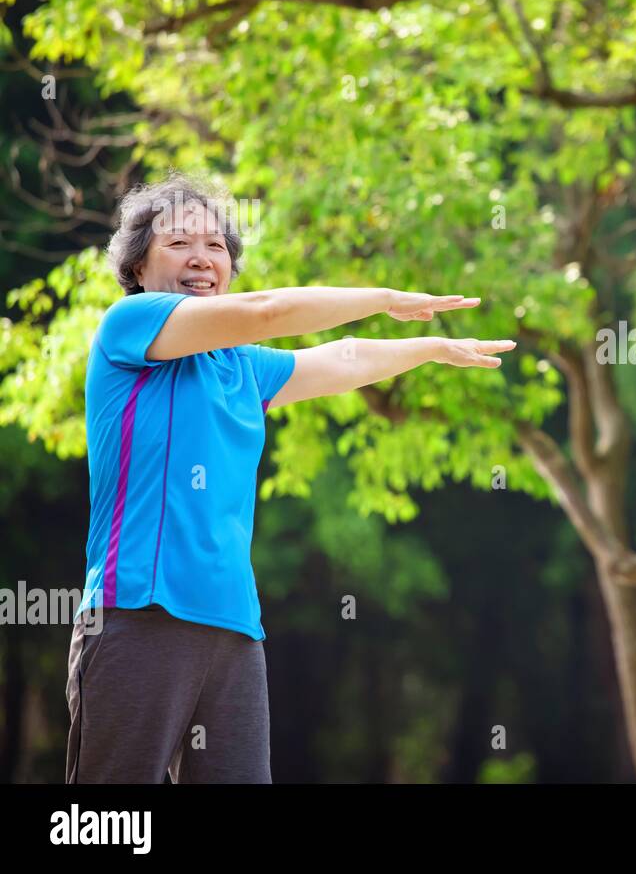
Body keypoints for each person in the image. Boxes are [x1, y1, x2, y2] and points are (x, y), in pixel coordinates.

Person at [66, 173, 515, 783]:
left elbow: (339, 360)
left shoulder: (240, 368)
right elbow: (267, 311)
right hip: (138, 613)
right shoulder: (130, 325)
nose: (202, 258)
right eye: (178, 244)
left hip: (232, 629)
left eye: (217, 246)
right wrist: (383, 296)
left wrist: (430, 346)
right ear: (139, 269)